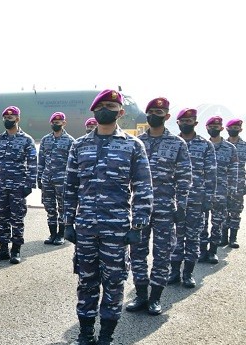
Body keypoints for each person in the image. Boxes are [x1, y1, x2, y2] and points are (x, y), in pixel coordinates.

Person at [63, 89, 153, 344]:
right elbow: (70, 187)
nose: (106, 110)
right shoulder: (79, 146)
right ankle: (85, 334)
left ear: (120, 113)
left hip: (117, 229)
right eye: (102, 106)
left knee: (114, 283)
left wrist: (138, 225)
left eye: (112, 106)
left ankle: (106, 336)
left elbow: (143, 187)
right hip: (86, 228)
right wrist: (67, 222)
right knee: (87, 282)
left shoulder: (133, 145)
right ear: (94, 110)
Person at [126, 98, 191, 316]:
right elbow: (126, 177)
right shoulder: (136, 142)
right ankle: (141, 294)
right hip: (140, 208)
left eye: (160, 111)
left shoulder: (177, 144)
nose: (156, 114)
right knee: (137, 252)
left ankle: (155, 298)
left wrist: (181, 205)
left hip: (165, 207)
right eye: (152, 111)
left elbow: (184, 177)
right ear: (147, 115)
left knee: (162, 253)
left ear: (168, 116)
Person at [170, 108, 216, 288]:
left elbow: (211, 174)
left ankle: (188, 273)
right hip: (175, 200)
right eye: (183, 121)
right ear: (178, 123)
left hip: (197, 199)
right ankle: (174, 271)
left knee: (193, 237)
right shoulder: (173, 143)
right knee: (175, 237)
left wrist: (208, 199)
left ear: (195, 123)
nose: (186, 123)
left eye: (190, 121)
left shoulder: (205, 145)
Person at [0, 106, 37, 264]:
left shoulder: (26, 140)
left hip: (18, 186)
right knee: (1, 218)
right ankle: (3, 249)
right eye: (5, 119)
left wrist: (29, 184)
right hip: (1, 185)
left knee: (17, 218)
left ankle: (15, 250)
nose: (7, 121)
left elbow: (32, 164)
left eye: (11, 118)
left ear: (17, 119)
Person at [199, 116, 237, 264]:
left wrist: (232, 190)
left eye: (217, 126)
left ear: (222, 128)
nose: (214, 129)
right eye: (211, 126)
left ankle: (213, 251)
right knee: (202, 222)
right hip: (202, 190)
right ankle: (202, 250)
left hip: (221, 191)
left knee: (217, 222)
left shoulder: (230, 148)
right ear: (206, 128)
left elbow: (234, 171)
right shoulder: (202, 145)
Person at [37, 111, 74, 245]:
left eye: (58, 123)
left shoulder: (70, 141)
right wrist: (39, 178)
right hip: (47, 180)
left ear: (64, 123)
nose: (55, 124)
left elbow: (73, 164)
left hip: (62, 181)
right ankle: (52, 233)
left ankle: (61, 234)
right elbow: (41, 160)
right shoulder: (45, 140)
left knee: (62, 208)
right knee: (49, 207)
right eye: (53, 122)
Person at [224, 118, 246, 248]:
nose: (234, 130)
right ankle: (223, 237)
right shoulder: (222, 145)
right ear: (227, 129)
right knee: (222, 211)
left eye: (236, 128)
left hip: (239, 183)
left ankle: (233, 238)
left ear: (240, 130)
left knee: (236, 211)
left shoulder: (244, 146)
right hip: (223, 184)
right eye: (232, 128)